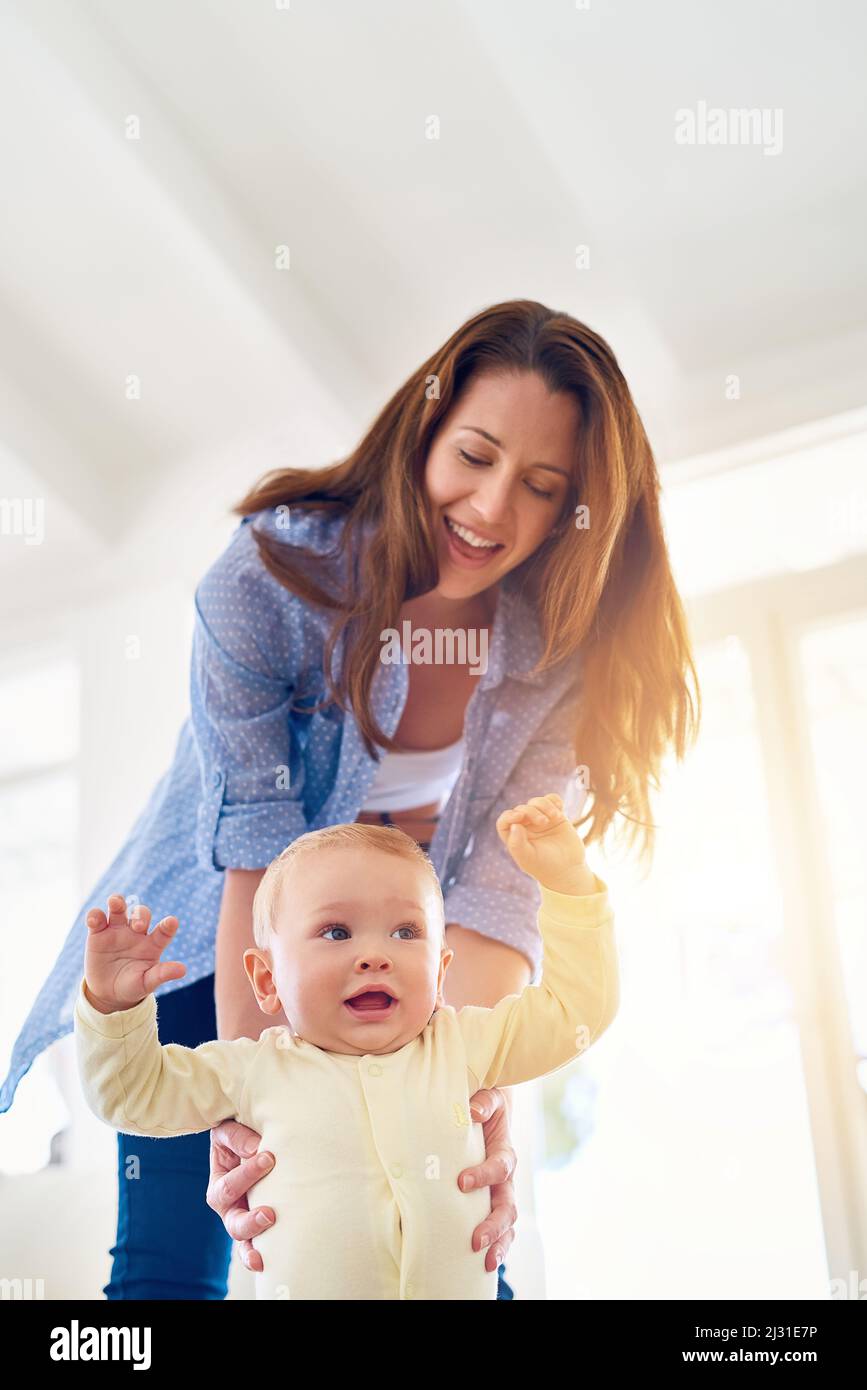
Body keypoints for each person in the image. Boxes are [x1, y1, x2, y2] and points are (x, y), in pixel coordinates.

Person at [0, 298, 700, 1299]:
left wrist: (453, 1084)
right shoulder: (271, 580)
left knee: (459, 1232)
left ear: (573, 509)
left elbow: (501, 899)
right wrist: (255, 1096)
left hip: (410, 973)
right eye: (475, 455)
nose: (494, 507)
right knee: (169, 1269)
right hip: (216, 944)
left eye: (542, 487)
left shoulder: (557, 652)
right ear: (423, 429)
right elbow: (258, 852)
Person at [74, 795, 618, 1300]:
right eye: (336, 932)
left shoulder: (463, 1046)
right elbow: (133, 1097)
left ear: (440, 972)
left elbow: (576, 1012)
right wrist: (115, 1009)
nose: (375, 956)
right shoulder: (249, 1070)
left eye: (406, 932)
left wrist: (571, 888)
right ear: (266, 981)